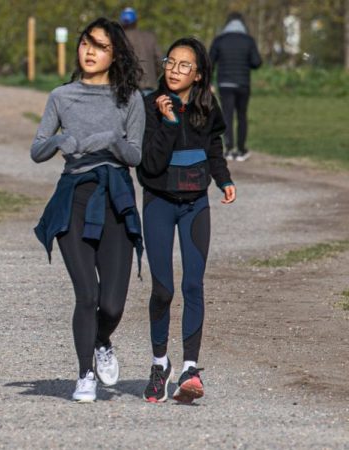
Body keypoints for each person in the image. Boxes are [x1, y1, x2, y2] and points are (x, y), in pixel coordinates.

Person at [31, 17, 145, 403]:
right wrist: (62, 138)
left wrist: (112, 139)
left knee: (112, 303)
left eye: (100, 46)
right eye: (86, 43)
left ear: (115, 55)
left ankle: (102, 341)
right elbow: (37, 150)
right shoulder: (61, 97)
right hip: (73, 198)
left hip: (115, 198)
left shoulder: (130, 98)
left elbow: (135, 155)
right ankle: (84, 375)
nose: (90, 51)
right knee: (86, 295)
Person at [138, 38, 236, 404]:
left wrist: (223, 178)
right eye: (170, 62)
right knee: (163, 290)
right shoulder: (150, 106)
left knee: (193, 285)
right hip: (159, 204)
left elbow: (213, 149)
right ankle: (159, 365)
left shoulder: (208, 106)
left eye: (184, 65)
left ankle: (189, 368)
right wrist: (167, 121)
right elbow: (148, 165)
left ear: (198, 73)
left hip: (195, 206)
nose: (174, 70)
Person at [210, 12, 261, 161]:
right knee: (242, 116)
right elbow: (256, 62)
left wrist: (209, 82)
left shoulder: (219, 40)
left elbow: (210, 62)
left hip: (224, 84)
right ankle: (241, 149)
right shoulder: (248, 41)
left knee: (227, 115)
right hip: (243, 84)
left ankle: (228, 149)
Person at [120, 7, 161, 95]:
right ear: (136, 22)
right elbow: (159, 61)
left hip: (129, 90)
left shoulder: (120, 39)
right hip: (150, 87)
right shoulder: (149, 37)